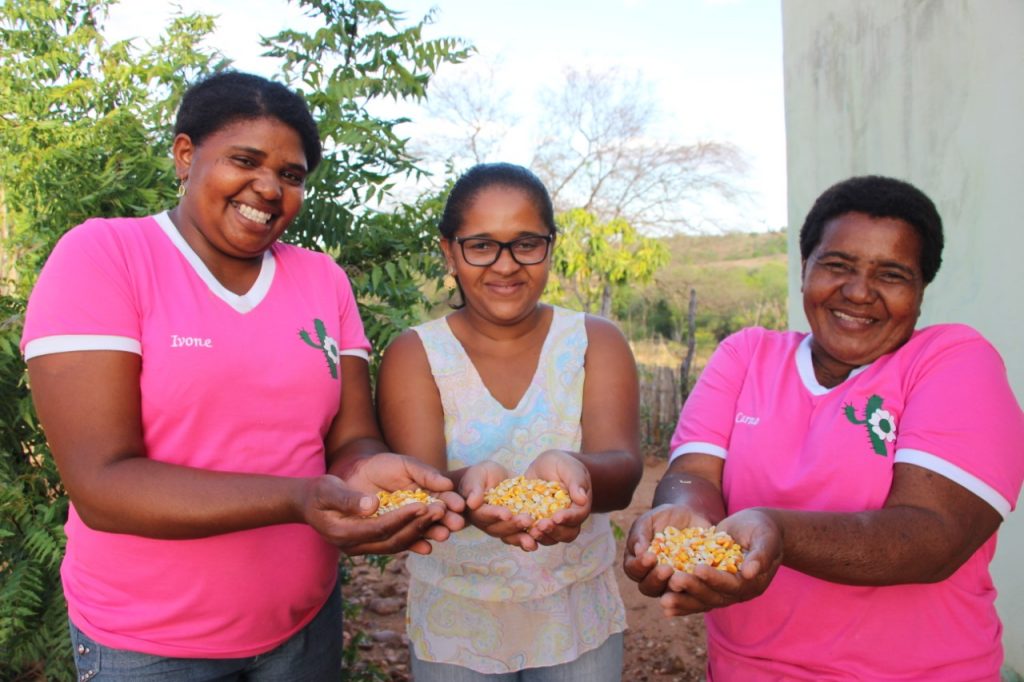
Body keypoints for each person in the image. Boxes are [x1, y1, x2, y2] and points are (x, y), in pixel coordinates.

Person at [20, 71, 463, 680]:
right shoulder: (105, 257)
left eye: (291, 174)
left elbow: (349, 438)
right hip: (150, 644)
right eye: (245, 160)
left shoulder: (321, 281)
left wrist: (368, 475)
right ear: (184, 154)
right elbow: (102, 485)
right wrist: (298, 499)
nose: (269, 188)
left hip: (302, 626)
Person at [624, 175, 1024, 681]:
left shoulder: (952, 362)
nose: (859, 292)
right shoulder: (747, 356)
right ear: (804, 269)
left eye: (892, 275)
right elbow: (694, 473)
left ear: (921, 291)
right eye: (837, 265)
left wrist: (779, 534)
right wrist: (682, 519)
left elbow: (935, 535)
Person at [376, 162, 643, 680]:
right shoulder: (416, 354)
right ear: (449, 251)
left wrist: (577, 472)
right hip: (457, 623)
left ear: (550, 245)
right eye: (481, 245)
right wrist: (470, 491)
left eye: (526, 243)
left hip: (575, 615)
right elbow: (417, 489)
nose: (505, 265)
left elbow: (625, 470)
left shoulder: (595, 342)